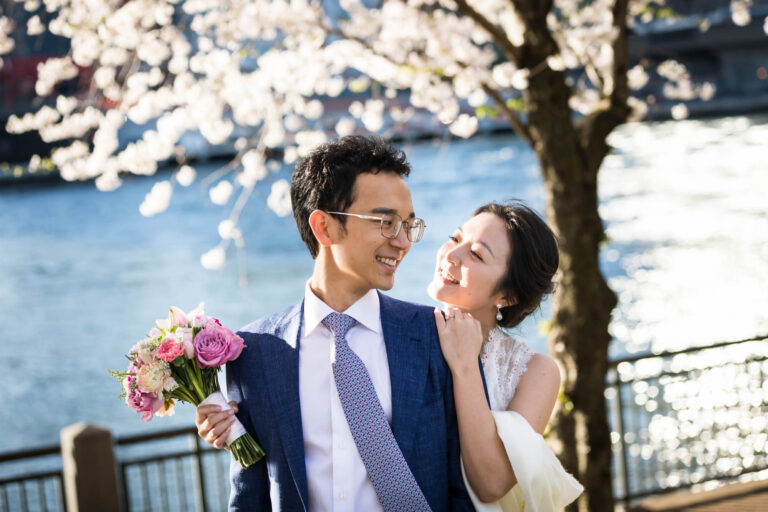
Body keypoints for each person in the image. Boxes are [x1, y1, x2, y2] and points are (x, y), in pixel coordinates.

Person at [196, 135, 473, 511]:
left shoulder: (433, 334)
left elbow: (463, 484)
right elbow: (250, 495)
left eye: (409, 224)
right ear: (324, 227)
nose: (404, 242)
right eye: (386, 222)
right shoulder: (253, 351)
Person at [429, 202, 582, 511]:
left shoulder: (534, 371)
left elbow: (492, 482)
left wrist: (465, 364)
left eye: (476, 254)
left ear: (507, 295)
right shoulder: (405, 335)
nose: (451, 256)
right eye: (455, 238)